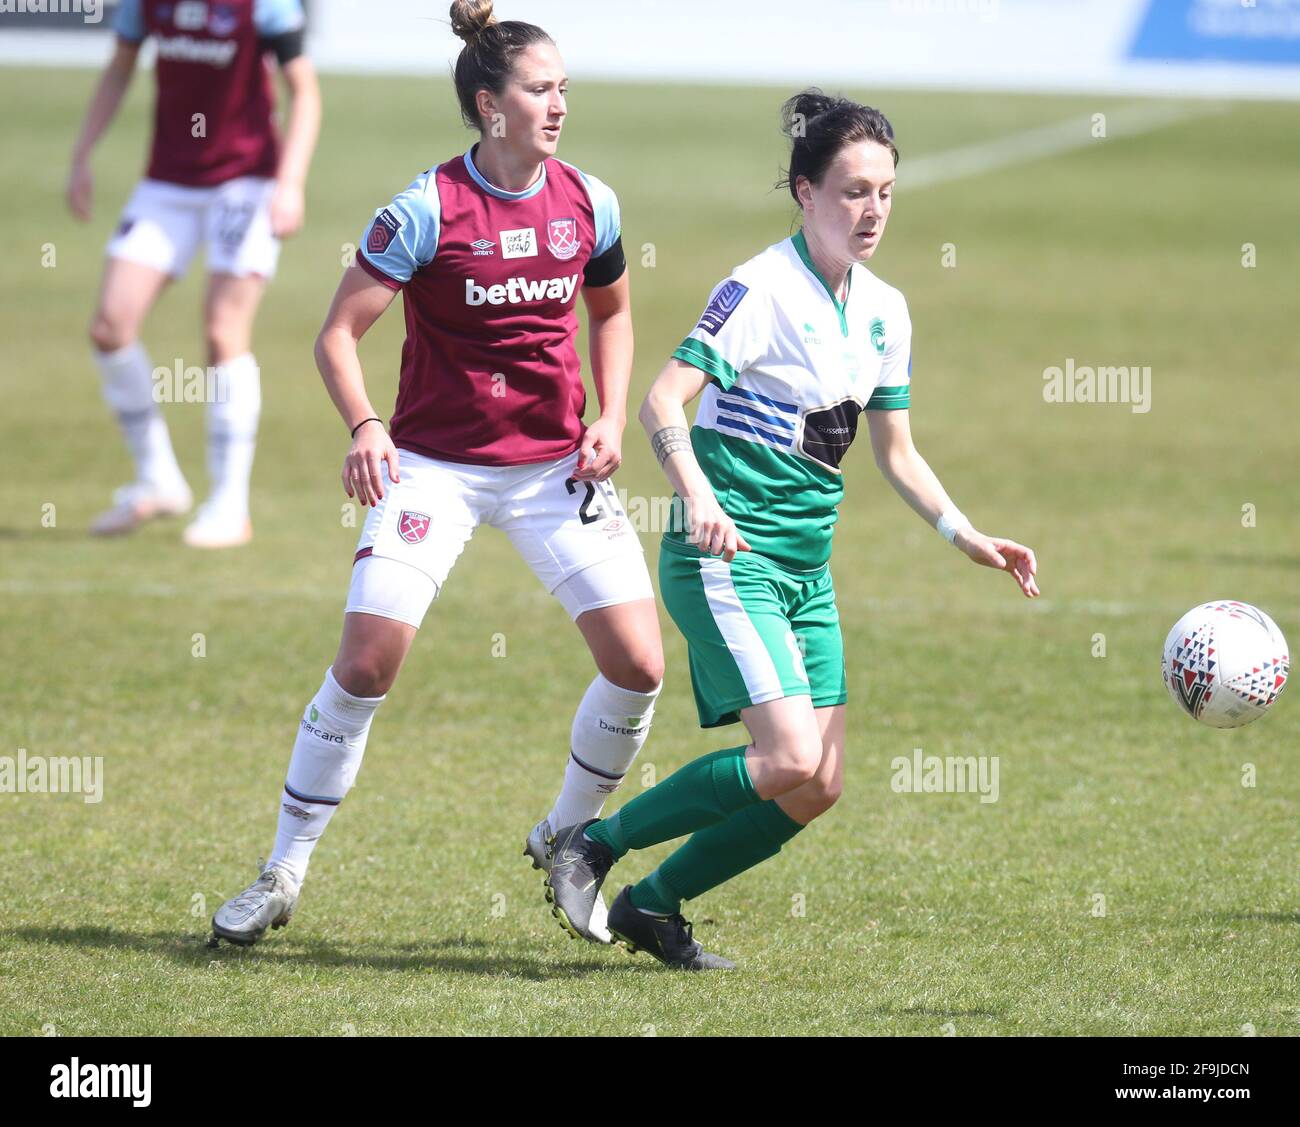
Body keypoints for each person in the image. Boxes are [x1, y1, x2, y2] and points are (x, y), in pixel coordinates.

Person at [544, 90, 1040, 970]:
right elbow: (663, 398)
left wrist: (966, 534)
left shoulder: (887, 308)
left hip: (807, 572)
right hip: (729, 557)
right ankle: (593, 843)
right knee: (787, 756)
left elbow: (896, 449)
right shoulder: (760, 289)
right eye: (853, 190)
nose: (873, 209)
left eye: (886, 190)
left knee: (821, 784)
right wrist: (695, 492)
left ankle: (652, 906)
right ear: (805, 192)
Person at [209, 0, 663, 947]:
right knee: (367, 663)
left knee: (640, 664)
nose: (558, 105)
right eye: (541, 89)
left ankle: (566, 834)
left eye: (564, 88)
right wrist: (367, 424)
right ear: (490, 105)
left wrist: (612, 414)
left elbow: (611, 313)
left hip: (552, 471)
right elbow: (337, 335)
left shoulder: (591, 200)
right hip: (432, 469)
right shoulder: (424, 208)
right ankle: (283, 868)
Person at [69, 0, 321, 548]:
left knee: (222, 332)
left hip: (246, 182)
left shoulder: (265, 7)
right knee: (109, 327)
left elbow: (304, 90)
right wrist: (83, 153)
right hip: (167, 183)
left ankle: (230, 507)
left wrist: (291, 181)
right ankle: (157, 479)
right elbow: (119, 68)